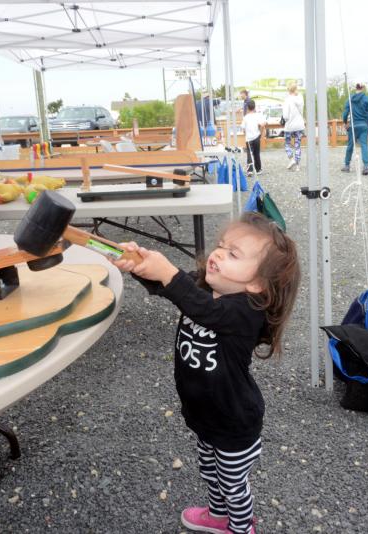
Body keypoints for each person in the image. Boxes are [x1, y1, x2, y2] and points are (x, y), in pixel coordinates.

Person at [113, 212, 301, 534]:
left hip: (234, 422)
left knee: (233, 484)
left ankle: (241, 528)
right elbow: (176, 290)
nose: (217, 254)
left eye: (233, 254)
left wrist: (169, 272)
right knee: (209, 472)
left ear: (256, 283)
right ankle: (217, 516)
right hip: (204, 415)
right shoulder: (204, 289)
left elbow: (203, 308)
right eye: (220, 246)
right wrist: (142, 267)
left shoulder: (246, 312)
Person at [341, 83, 368, 175]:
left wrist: (345, 122)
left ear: (355, 88)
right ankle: (366, 166)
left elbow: (345, 113)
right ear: (363, 88)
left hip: (353, 126)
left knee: (350, 145)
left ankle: (347, 165)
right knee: (364, 145)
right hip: (363, 126)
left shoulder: (350, 99)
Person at [281, 83, 305, 171]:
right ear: (296, 89)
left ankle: (291, 159)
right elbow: (302, 111)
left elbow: (285, 116)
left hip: (290, 126)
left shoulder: (287, 100)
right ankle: (298, 166)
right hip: (299, 125)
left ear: (288, 90)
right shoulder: (300, 99)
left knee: (287, 143)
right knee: (297, 145)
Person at [240, 100, 265, 177]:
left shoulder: (245, 117)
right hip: (257, 136)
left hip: (249, 138)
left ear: (247, 108)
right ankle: (258, 169)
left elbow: (243, 128)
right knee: (257, 153)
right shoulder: (258, 116)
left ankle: (250, 170)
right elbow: (262, 124)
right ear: (254, 107)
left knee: (249, 154)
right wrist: (260, 133)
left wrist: (245, 134)